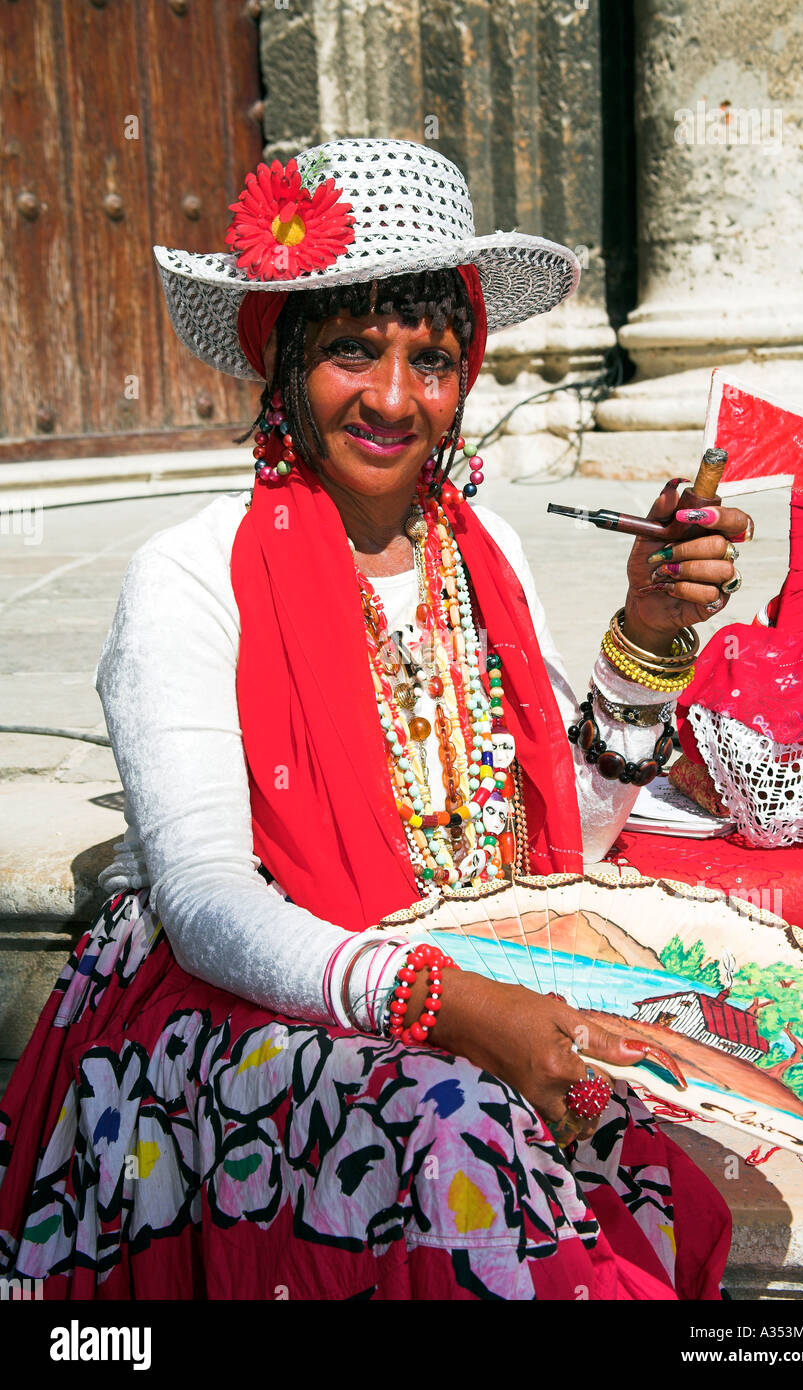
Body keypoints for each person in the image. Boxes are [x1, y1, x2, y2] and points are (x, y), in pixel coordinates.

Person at [0, 138, 749, 1300]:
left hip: (456, 976)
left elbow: (553, 843)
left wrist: (645, 641)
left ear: (465, 374)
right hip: (240, 1003)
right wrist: (448, 1005)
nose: (394, 398)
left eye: (430, 358)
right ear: (285, 360)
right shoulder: (189, 574)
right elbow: (205, 903)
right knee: (453, 1125)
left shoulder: (483, 557)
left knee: (637, 1144)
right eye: (352, 348)